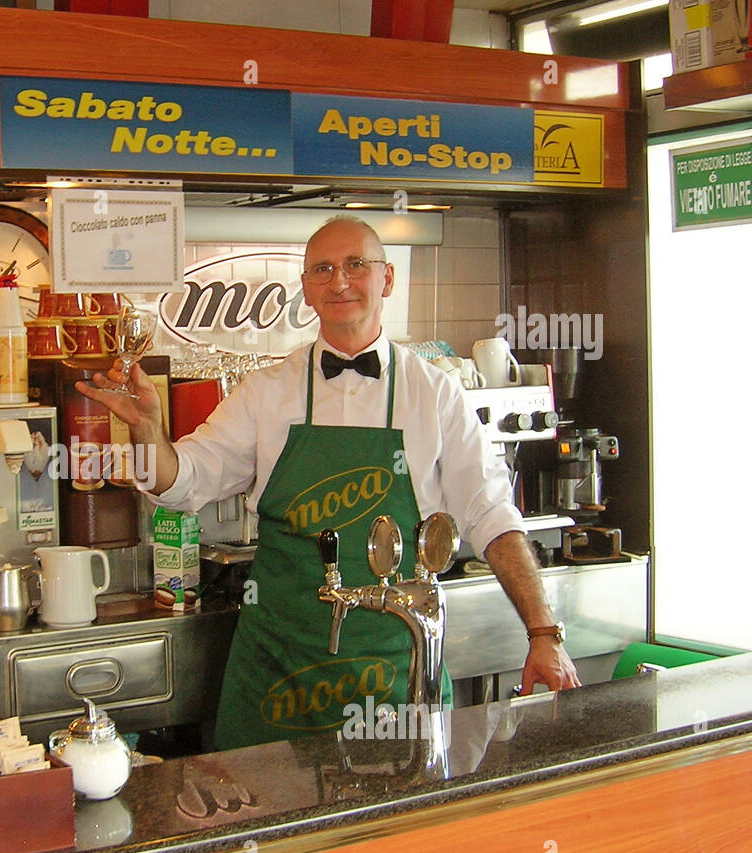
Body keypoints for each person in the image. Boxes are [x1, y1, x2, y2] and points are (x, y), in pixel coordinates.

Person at [77, 215, 580, 750]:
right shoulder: (265, 391)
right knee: (267, 825)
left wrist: (543, 633)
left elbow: (491, 517)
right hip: (279, 669)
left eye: (356, 265)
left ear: (386, 280)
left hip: (393, 671)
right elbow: (186, 481)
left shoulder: (435, 393)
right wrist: (150, 434)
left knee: (398, 825)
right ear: (307, 289)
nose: (340, 281)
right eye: (323, 269)